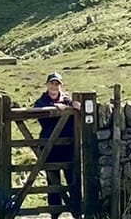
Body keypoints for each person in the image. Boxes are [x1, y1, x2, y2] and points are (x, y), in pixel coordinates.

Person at [32, 72, 79, 217]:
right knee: (53, 182)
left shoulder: (68, 100)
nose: (54, 86)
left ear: (60, 85)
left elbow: (78, 113)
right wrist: (56, 108)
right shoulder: (41, 102)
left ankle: (76, 211)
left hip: (67, 147)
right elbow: (43, 119)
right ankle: (55, 214)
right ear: (47, 85)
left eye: (57, 83)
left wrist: (72, 107)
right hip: (49, 147)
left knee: (72, 178)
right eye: (52, 83)